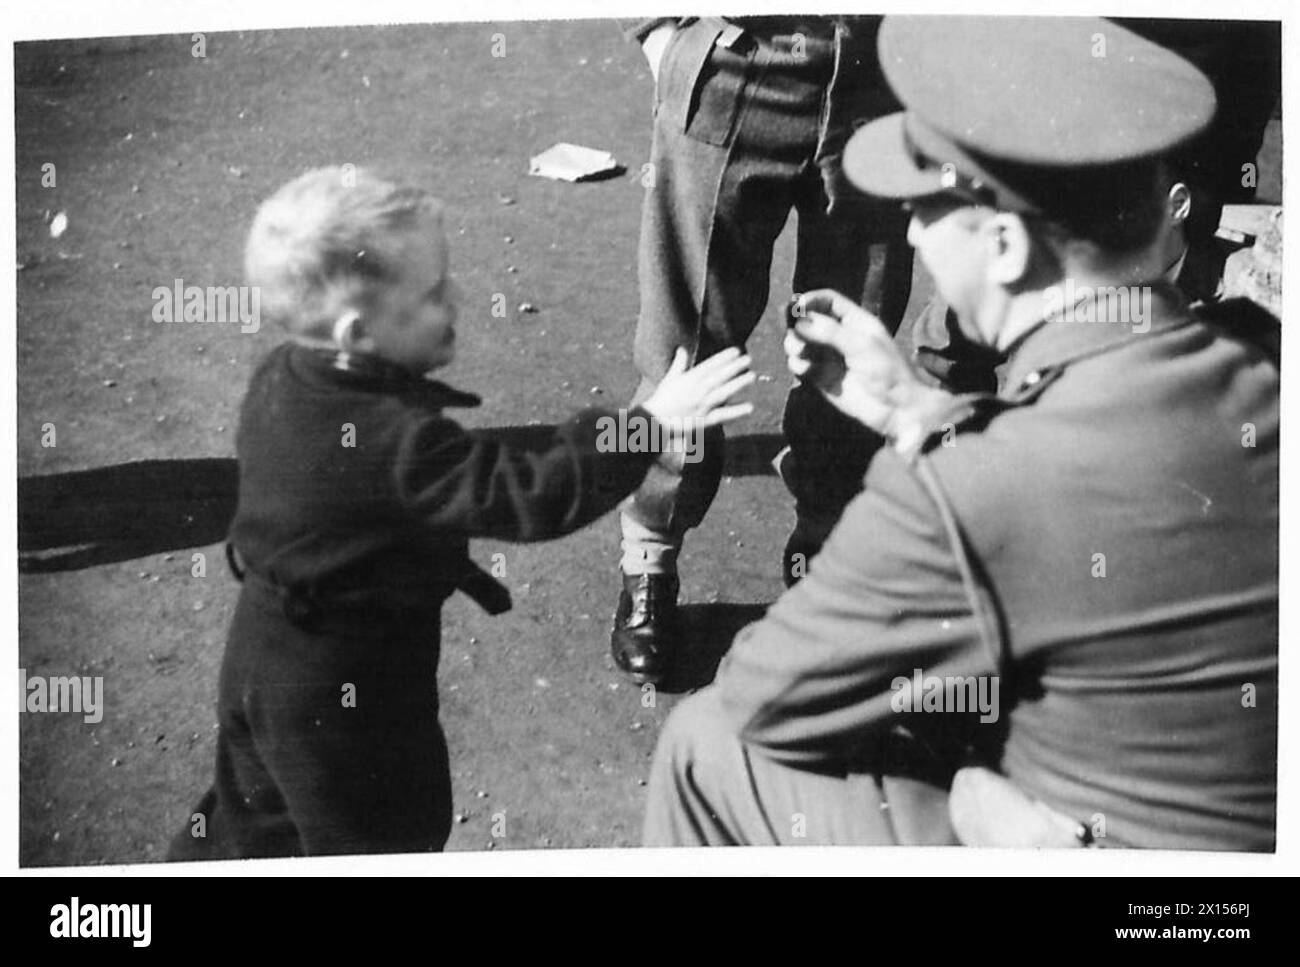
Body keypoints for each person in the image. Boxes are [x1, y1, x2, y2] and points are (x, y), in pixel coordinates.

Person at [643, 16, 1278, 850]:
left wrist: (975, 792)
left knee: (702, 745)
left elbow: (764, 696)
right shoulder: (1263, 366)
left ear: (1007, 246)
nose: (908, 231)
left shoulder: (968, 490)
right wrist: (919, 413)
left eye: (928, 208)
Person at [168, 167, 754, 859]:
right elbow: (532, 490)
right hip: (345, 682)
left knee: (259, 812)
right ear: (360, 331)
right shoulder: (398, 443)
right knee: (381, 832)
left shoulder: (284, 376)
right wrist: (644, 426)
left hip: (263, 652)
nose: (458, 298)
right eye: (433, 292)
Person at [611, 15, 914, 684]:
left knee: (854, 348)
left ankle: (827, 556)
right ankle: (649, 558)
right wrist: (658, 28)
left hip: (878, 77)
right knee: (689, 345)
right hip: (743, 66)